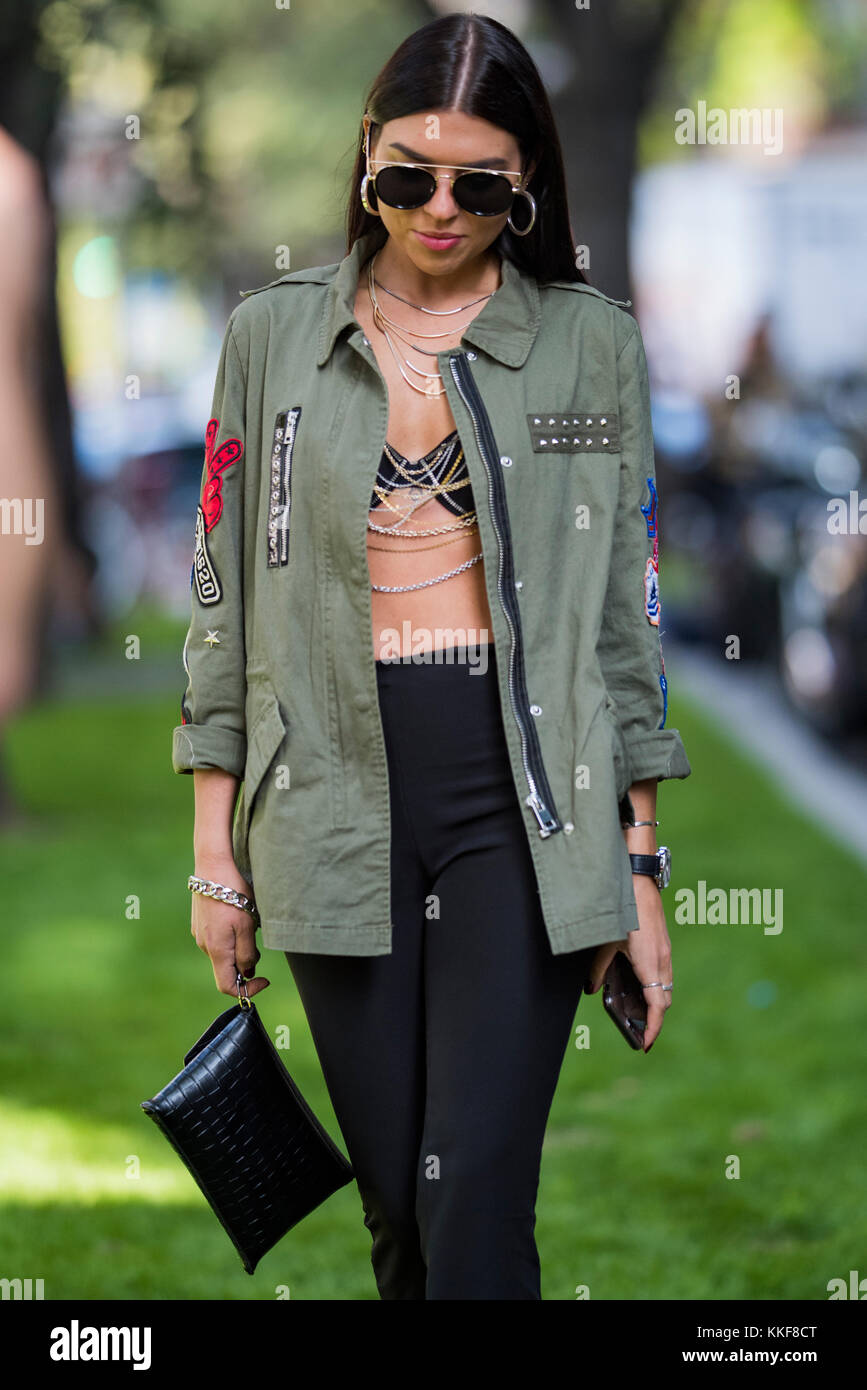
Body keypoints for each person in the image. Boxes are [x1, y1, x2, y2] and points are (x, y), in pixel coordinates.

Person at [174, 12, 691, 1300]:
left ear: (525, 185)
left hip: (522, 800)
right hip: (327, 794)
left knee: (472, 1216)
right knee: (402, 1212)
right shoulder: (271, 339)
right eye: (408, 174)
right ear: (364, 161)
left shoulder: (589, 345)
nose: (438, 208)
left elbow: (626, 621)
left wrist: (639, 864)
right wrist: (213, 858)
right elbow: (221, 601)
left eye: (478, 182)